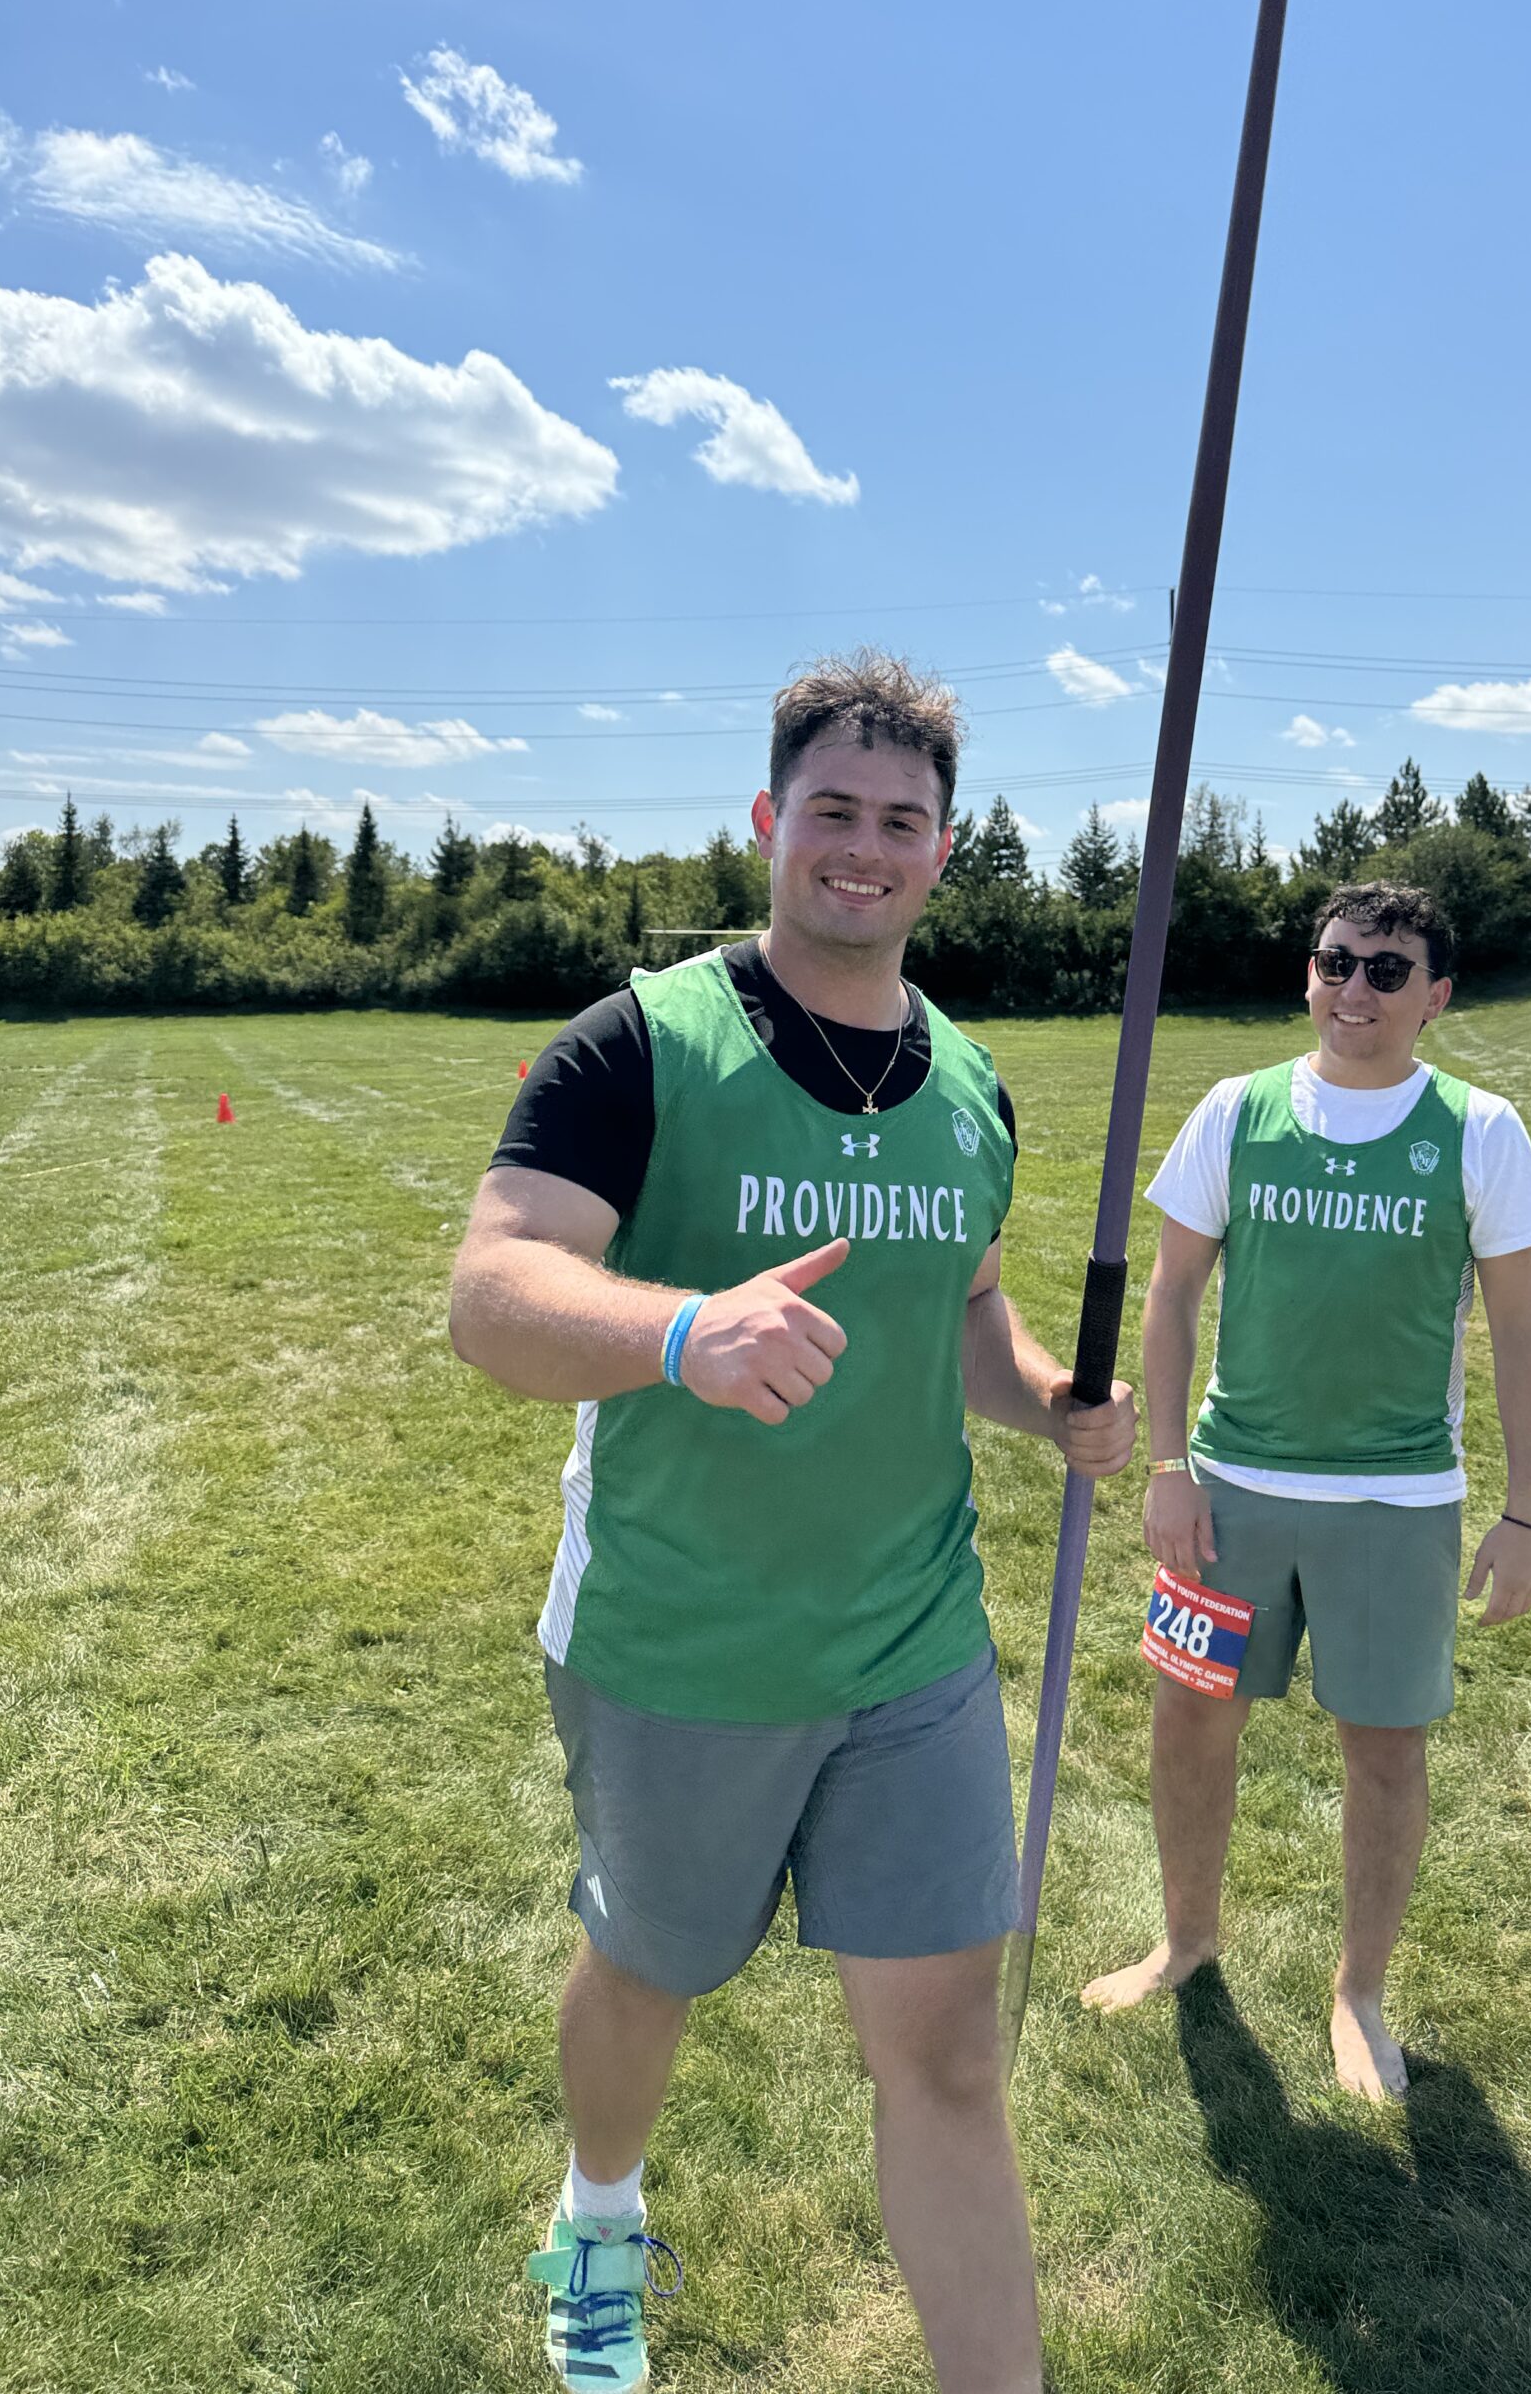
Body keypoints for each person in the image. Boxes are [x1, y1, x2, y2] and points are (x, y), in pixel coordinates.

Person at [449, 650, 1135, 2394]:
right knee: (648, 1975)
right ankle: (601, 2206)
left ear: (942, 852)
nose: (865, 845)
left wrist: (1052, 1398)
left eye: (902, 820)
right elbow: (496, 1293)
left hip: (910, 1642)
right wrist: (683, 1330)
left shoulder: (973, 1085)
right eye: (832, 809)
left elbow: (965, 1326)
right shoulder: (641, 1043)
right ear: (769, 822)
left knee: (954, 2059)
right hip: (681, 1636)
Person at [1081, 881, 1531, 2100]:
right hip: (1230, 1493)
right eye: (1335, 962)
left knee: (1385, 1750)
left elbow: (1520, 1331)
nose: (1355, 990)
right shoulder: (1237, 1111)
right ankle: (1186, 1940)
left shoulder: (1478, 1129)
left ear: (1436, 997)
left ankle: (1359, 1994)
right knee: (1191, 1718)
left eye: (1388, 971)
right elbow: (1175, 1290)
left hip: (1397, 1504)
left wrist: (1525, 1515)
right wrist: (1173, 1470)